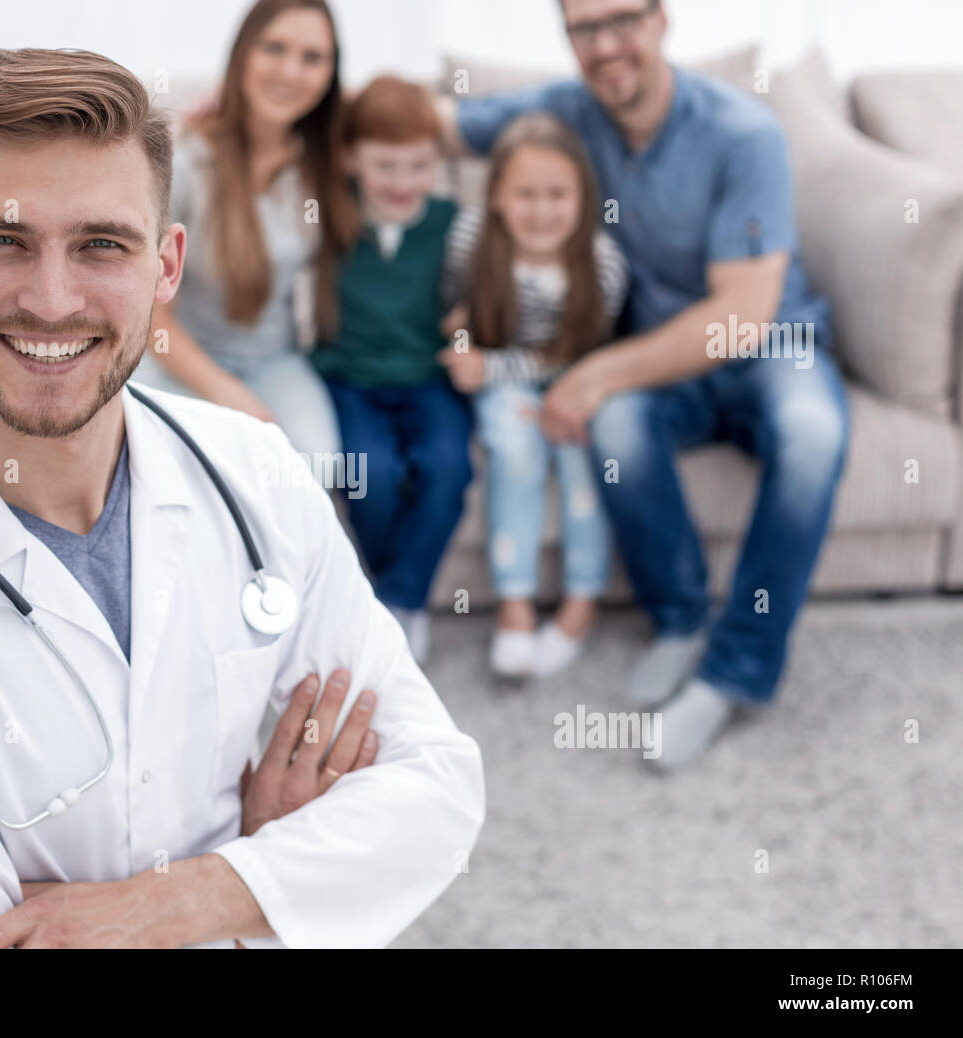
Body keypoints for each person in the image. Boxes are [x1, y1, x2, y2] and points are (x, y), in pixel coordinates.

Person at [0, 47, 484, 948]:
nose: (52, 301)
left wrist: (183, 899)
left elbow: (439, 790)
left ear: (167, 267)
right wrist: (273, 872)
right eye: (3, 240)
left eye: (102, 244)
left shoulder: (258, 474)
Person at [434, 0, 849, 768]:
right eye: (584, 28)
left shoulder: (742, 133)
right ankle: (679, 615)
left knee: (815, 435)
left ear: (662, 19)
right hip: (664, 362)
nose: (605, 44)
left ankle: (733, 673)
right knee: (618, 426)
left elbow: (742, 317)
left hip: (768, 343)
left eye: (622, 18)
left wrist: (591, 373)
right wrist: (272, 106)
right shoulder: (567, 110)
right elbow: (433, 123)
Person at [438, 113, 628, 680]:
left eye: (557, 195)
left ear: (582, 198)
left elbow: (584, 352)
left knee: (581, 459)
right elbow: (451, 308)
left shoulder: (603, 263)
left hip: (575, 374)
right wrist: (463, 342)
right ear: (496, 195)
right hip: (507, 379)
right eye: (525, 194)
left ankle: (580, 604)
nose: (541, 211)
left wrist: (493, 368)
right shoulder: (472, 238)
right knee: (514, 448)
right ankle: (515, 605)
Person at [132, 0, 358, 474]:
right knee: (184, 473)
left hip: (273, 361)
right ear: (242, 55)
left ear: (331, 74)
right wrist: (224, 393)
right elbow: (148, 311)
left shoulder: (327, 157)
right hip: (179, 356)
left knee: (317, 470)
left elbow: (410, 125)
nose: (291, 72)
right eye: (274, 48)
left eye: (313, 58)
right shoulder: (186, 156)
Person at [311, 76, 473, 665]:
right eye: (386, 166)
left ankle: (399, 598)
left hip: (428, 378)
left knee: (447, 467)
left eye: (418, 166)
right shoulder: (329, 214)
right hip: (350, 377)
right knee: (368, 473)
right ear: (352, 158)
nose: (403, 183)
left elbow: (475, 300)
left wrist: (468, 330)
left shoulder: (454, 222)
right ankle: (389, 593)